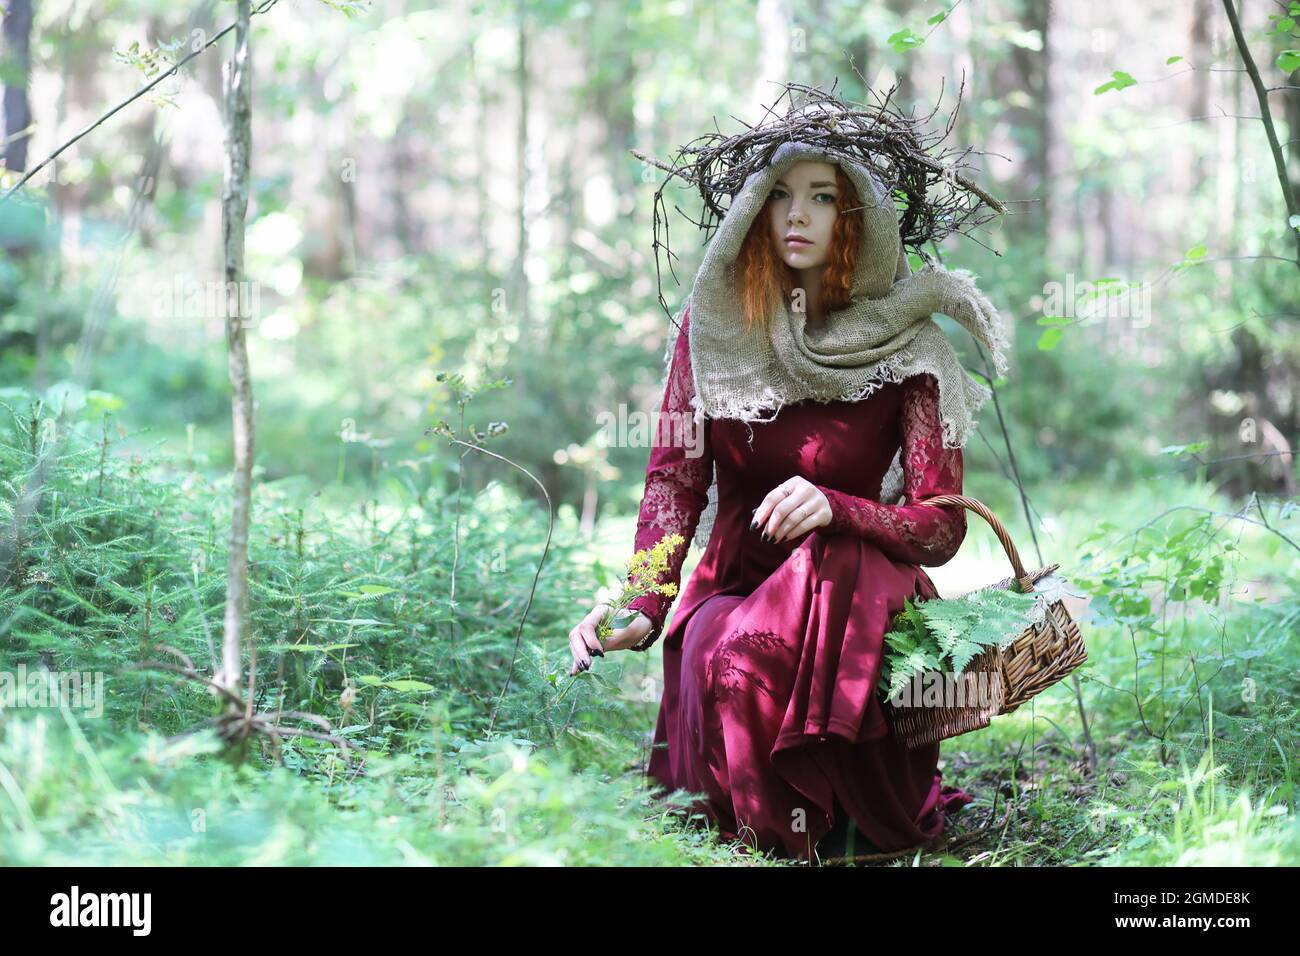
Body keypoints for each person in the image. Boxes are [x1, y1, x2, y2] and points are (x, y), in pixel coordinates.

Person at [567, 137, 1009, 863]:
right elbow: (674, 481)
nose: (797, 213)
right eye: (780, 194)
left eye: (823, 196)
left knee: (822, 576)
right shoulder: (714, 331)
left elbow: (941, 528)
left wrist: (841, 509)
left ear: (856, 220)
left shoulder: (913, 347)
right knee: (723, 647)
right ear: (753, 210)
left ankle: (840, 821)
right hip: (737, 585)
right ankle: (778, 831)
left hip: (858, 591)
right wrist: (642, 606)